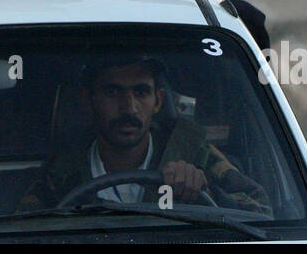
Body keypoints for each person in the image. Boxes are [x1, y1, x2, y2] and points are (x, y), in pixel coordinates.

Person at [16, 55, 271, 213]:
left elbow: (260, 212)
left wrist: (203, 192)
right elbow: (22, 227)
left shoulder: (194, 153)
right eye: (113, 92)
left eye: (141, 92)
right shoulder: (63, 168)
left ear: (158, 101)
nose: (129, 108)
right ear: (87, 100)